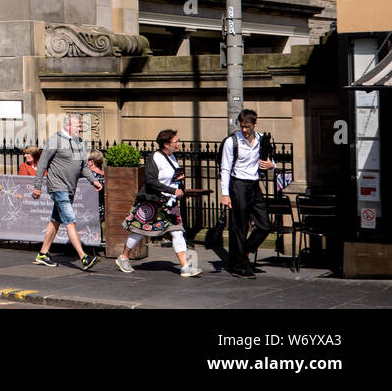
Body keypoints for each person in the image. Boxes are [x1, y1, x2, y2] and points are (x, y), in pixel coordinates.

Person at [116, 129, 201, 277]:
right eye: (176, 142)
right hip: (152, 202)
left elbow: (174, 178)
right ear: (166, 144)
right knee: (139, 231)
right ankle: (123, 257)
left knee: (177, 231)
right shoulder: (154, 157)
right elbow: (151, 181)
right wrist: (171, 190)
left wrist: (179, 191)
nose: (179, 144)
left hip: (169, 203)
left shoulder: (172, 157)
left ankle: (185, 267)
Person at [31, 114, 101, 270]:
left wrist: (93, 180)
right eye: (78, 126)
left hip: (70, 188)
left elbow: (83, 166)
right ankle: (84, 257)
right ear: (68, 126)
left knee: (56, 219)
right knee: (70, 220)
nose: (81, 129)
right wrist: (37, 186)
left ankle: (43, 254)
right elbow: (42, 164)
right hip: (58, 187)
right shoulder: (55, 140)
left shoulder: (79, 143)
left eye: (81, 126)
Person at [220, 108, 275, 279]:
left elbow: (270, 160)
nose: (244, 130)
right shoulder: (232, 142)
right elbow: (225, 168)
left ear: (255, 124)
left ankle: (244, 252)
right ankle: (240, 266)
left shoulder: (261, 140)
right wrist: (225, 193)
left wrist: (272, 165)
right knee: (240, 226)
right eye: (242, 126)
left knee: (265, 225)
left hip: (254, 185)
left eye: (248, 126)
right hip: (238, 185)